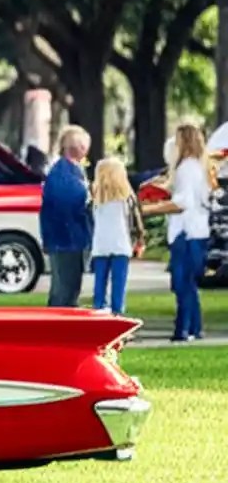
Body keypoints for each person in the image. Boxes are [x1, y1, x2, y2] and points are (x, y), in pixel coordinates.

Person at [143, 123, 216, 341]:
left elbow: (182, 202)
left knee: (182, 283)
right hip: (199, 231)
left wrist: (148, 209)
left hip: (185, 232)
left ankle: (182, 330)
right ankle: (195, 327)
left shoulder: (186, 168)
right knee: (190, 284)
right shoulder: (199, 167)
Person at [40, 125, 93, 307]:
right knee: (65, 288)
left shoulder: (71, 171)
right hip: (66, 239)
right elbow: (69, 204)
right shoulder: (63, 174)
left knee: (69, 286)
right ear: (78, 147)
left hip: (68, 238)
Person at [89, 158, 144, 314]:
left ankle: (99, 308)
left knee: (100, 282)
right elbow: (135, 222)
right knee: (119, 283)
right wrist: (139, 241)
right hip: (121, 244)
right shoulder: (126, 199)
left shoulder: (96, 199)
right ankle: (117, 311)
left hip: (100, 245)